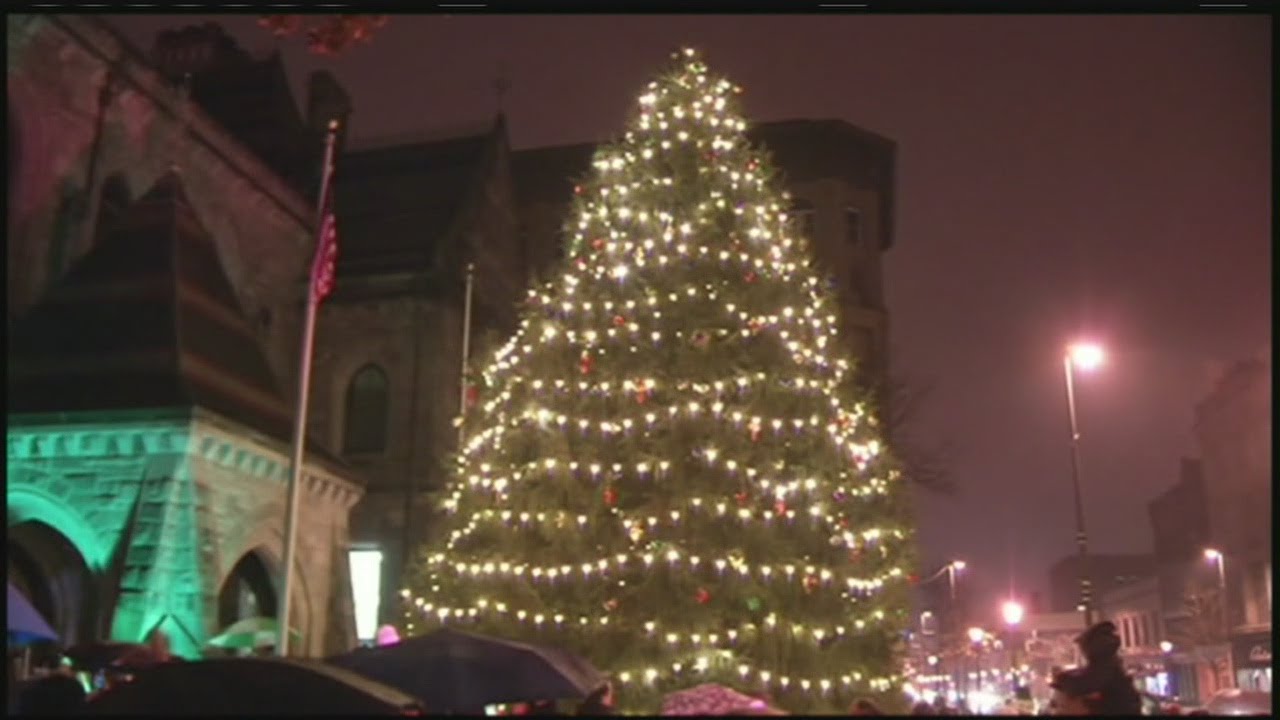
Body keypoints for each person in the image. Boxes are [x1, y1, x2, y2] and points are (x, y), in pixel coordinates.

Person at [1075, 621, 1142, 715]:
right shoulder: (1110, 660)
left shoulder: (1103, 662)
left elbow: (1087, 684)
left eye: (1083, 646)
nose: (1082, 651)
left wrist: (1063, 679)